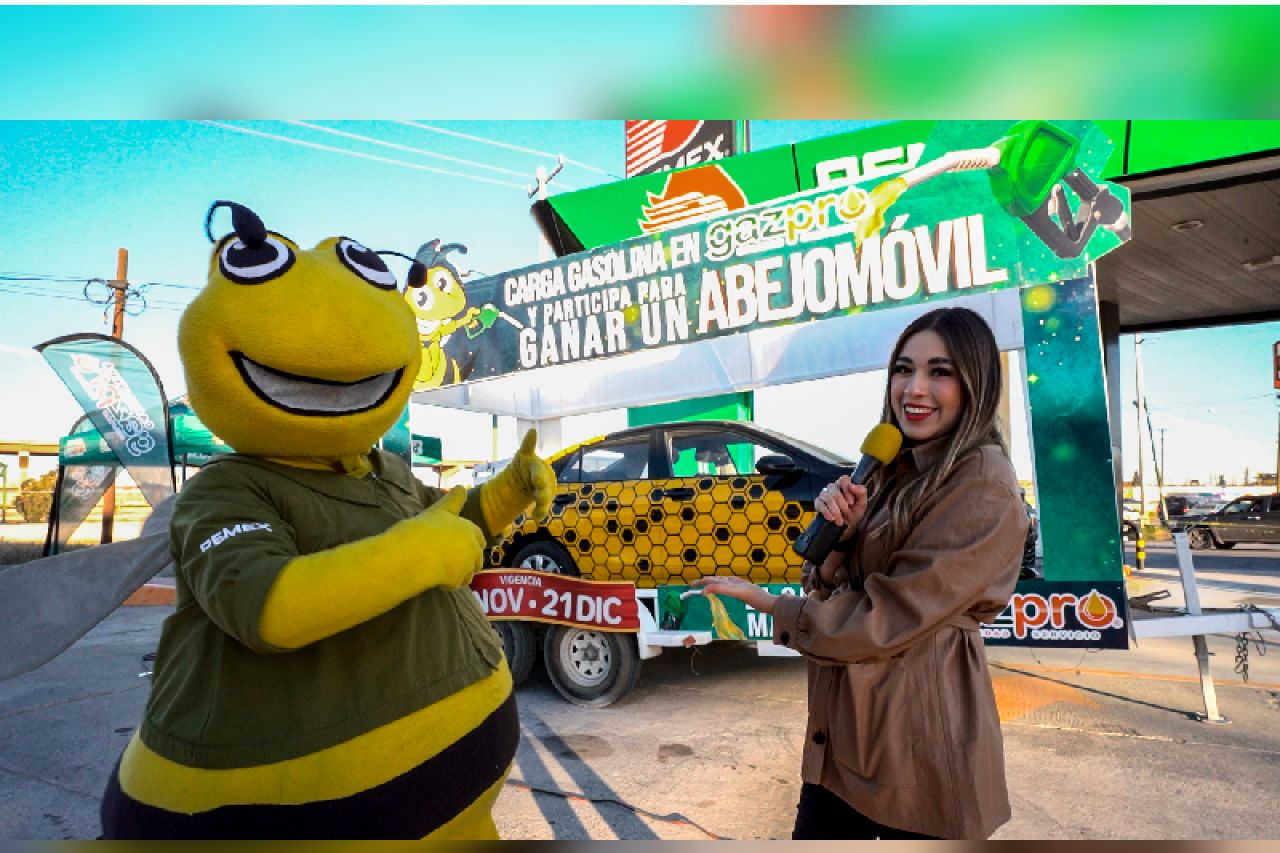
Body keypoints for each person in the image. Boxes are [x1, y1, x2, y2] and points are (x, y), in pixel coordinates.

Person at [694, 306, 1029, 840]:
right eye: (903, 368)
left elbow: (885, 616)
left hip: (916, 754)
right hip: (845, 740)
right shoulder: (895, 470)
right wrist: (842, 538)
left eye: (939, 372)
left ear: (975, 384)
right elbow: (837, 589)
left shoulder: (981, 483)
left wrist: (770, 605)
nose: (914, 389)